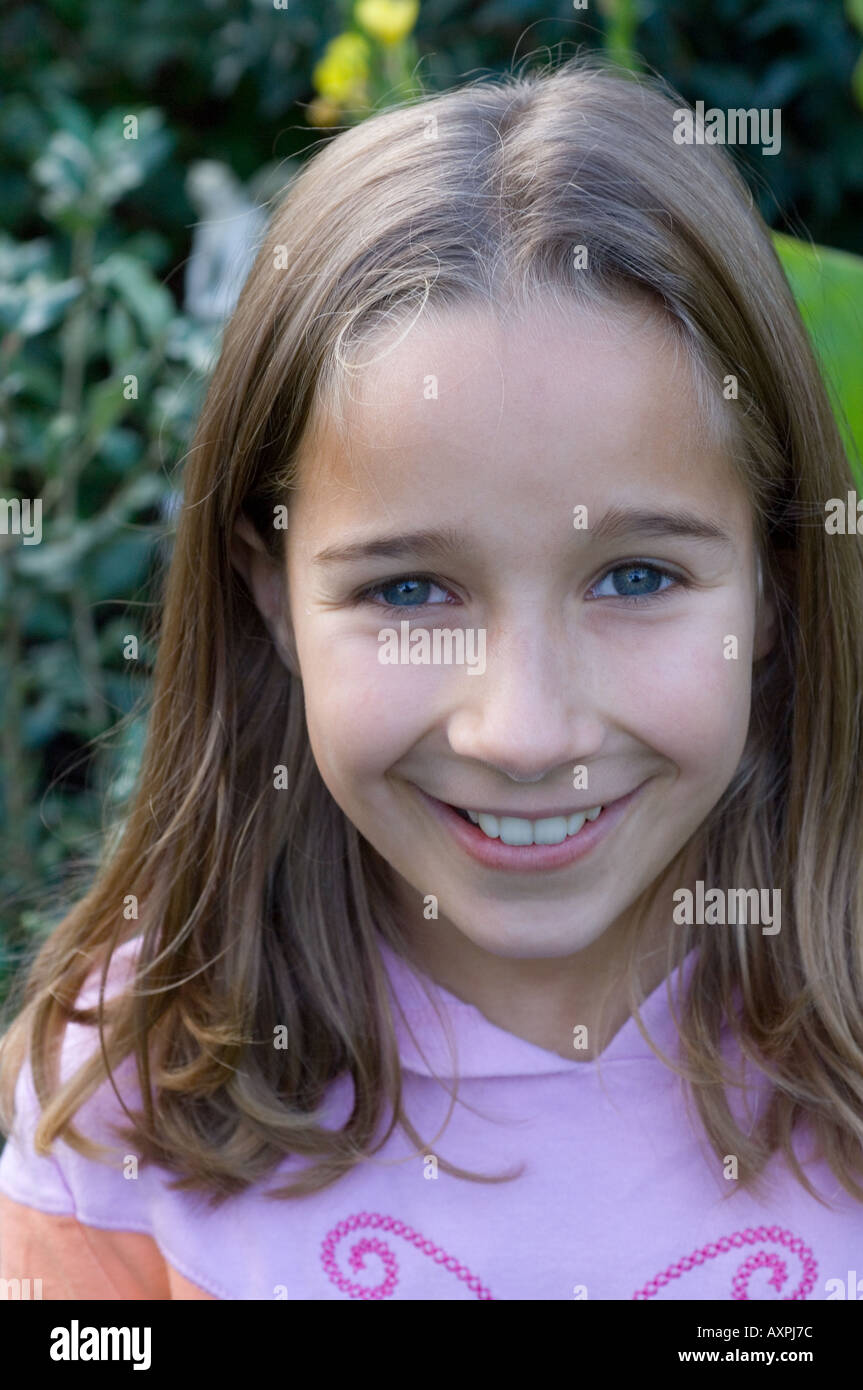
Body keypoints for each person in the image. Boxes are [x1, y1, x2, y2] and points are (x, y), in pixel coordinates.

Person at [2, 55, 862, 1301]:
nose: (522, 729)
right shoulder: (126, 1088)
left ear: (776, 584)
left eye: (632, 578)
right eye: (408, 591)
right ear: (269, 591)